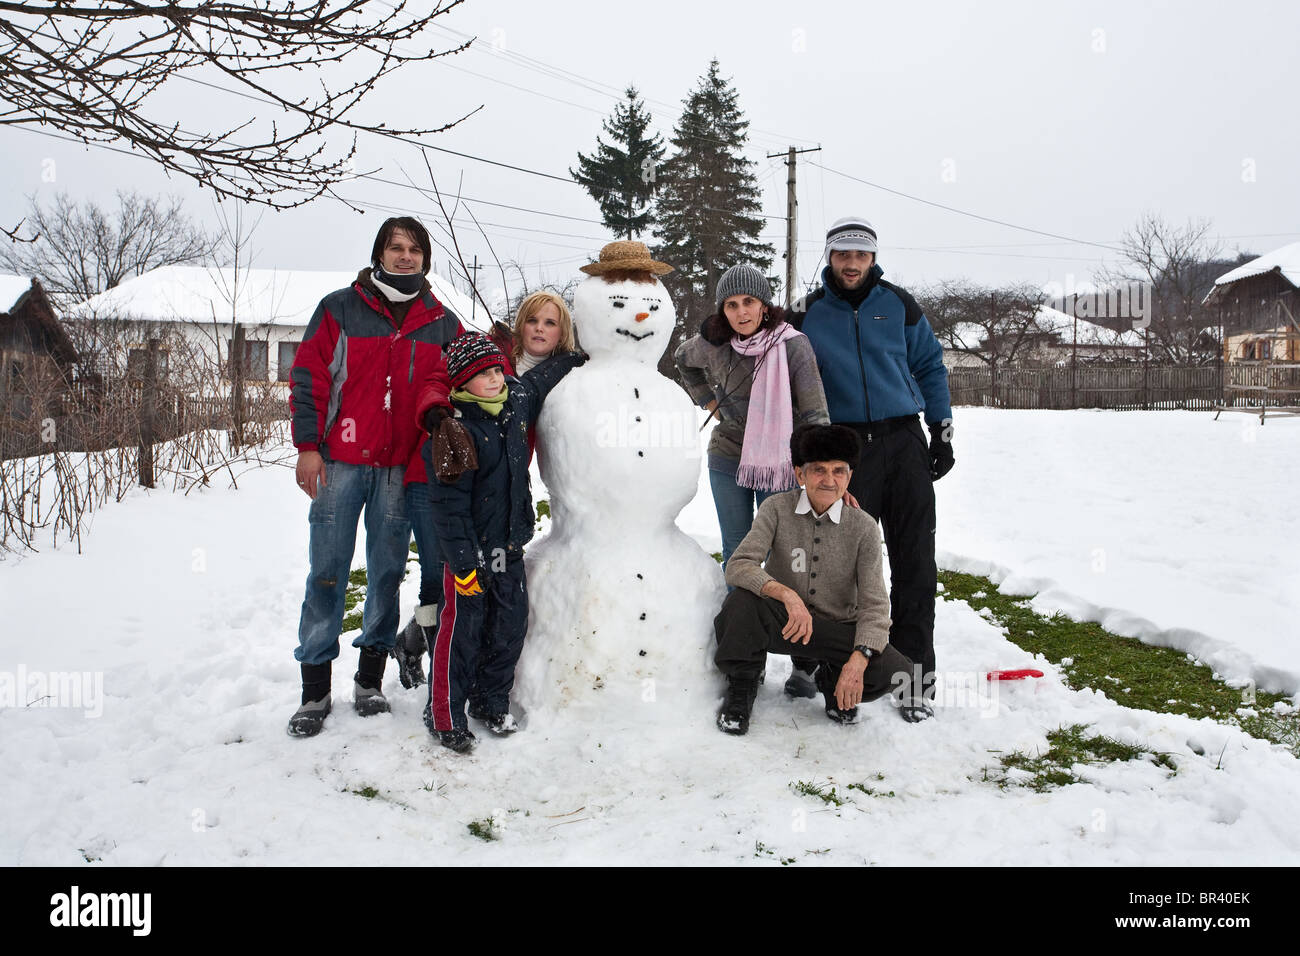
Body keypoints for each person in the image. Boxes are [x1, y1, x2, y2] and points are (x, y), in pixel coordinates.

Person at [286, 216, 462, 737]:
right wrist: (308, 447)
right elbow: (307, 376)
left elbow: (470, 379)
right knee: (327, 572)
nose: (405, 257)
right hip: (339, 463)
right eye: (395, 248)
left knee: (386, 574)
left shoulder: (442, 323)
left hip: (401, 471)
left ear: (426, 258)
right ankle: (314, 690)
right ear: (379, 254)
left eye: (414, 249)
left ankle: (369, 680)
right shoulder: (340, 309)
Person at [790, 216, 954, 721]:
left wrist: (940, 428)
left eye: (861, 255)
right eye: (843, 254)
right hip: (841, 454)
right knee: (839, 573)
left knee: (914, 563)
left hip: (901, 441)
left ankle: (913, 680)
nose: (852, 263)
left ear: (873, 258)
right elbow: (781, 369)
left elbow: (929, 365)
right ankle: (837, 677)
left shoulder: (899, 305)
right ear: (830, 257)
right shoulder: (808, 313)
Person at [388, 289, 580, 688]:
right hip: (447, 478)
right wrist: (439, 413)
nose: (540, 329)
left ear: (563, 330)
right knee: (443, 575)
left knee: (482, 588)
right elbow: (437, 380)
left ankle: (451, 665)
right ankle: (433, 666)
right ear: (520, 323)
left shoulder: (567, 372)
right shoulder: (488, 353)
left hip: (496, 490)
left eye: (550, 322)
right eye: (532, 320)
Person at [421, 332, 585, 753]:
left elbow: (540, 379)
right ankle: (445, 715)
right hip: (470, 556)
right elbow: (446, 506)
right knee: (461, 635)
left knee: (508, 630)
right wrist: (462, 564)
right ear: (461, 381)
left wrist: (581, 355)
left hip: (508, 549)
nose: (495, 379)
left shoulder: (513, 405)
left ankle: (490, 701)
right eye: (483, 374)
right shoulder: (452, 430)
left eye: (497, 370)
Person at [674, 264, 830, 698]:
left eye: (749, 302)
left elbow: (815, 413)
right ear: (722, 309)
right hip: (727, 458)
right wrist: (707, 400)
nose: (741, 312)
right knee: (738, 557)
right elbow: (683, 364)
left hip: (781, 462)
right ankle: (746, 658)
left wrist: (819, 471)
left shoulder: (793, 346)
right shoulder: (710, 344)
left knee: (787, 558)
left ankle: (805, 662)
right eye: (732, 304)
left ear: (765, 305)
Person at [713, 424, 922, 734]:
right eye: (818, 470)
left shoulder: (863, 527)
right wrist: (786, 594)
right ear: (800, 474)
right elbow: (739, 565)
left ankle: (831, 679)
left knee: (893, 670)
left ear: (849, 476)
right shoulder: (776, 508)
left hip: (836, 629)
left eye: (839, 471)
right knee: (740, 604)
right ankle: (743, 684)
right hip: (785, 621)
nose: (829, 480)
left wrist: (859, 660)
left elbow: (875, 605)